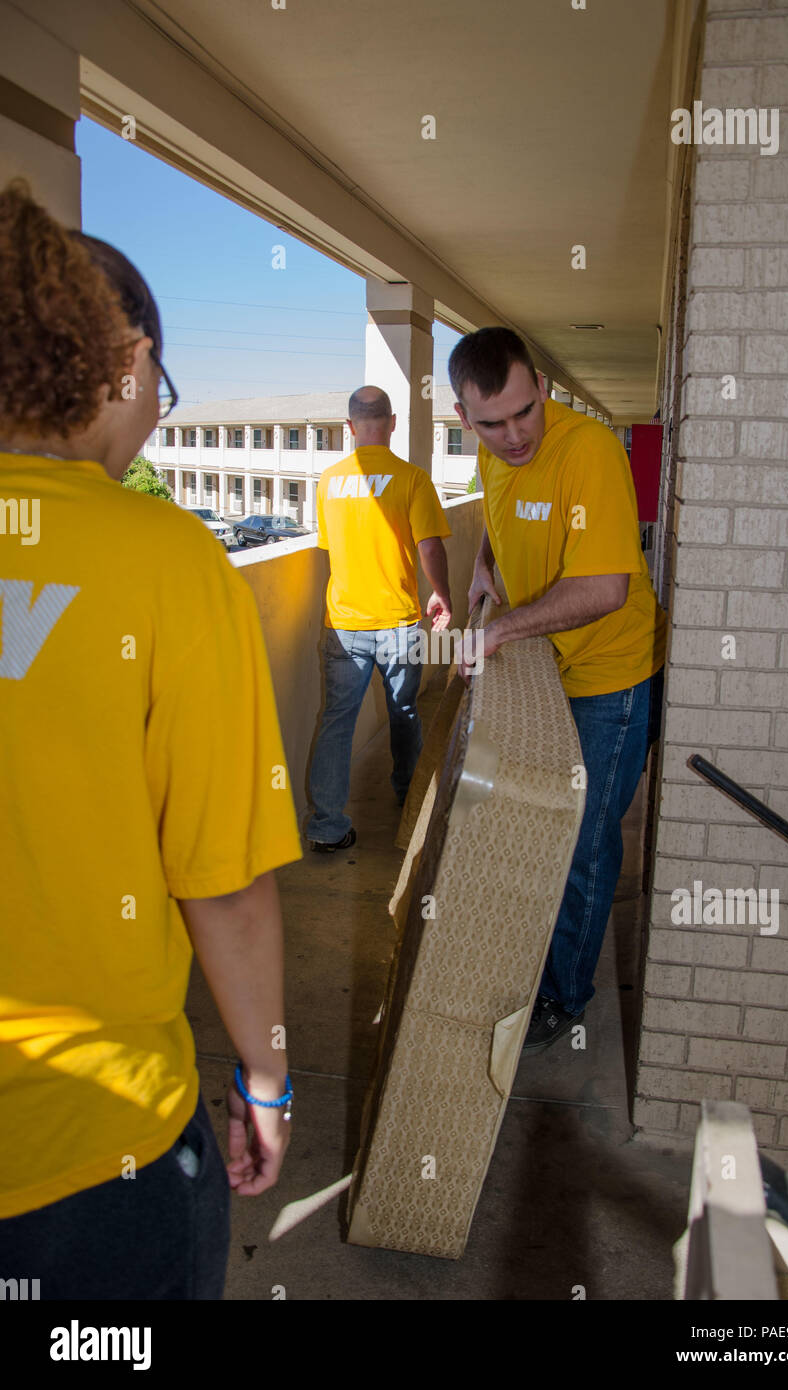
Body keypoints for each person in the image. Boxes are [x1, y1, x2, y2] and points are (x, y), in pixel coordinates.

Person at [0, 180, 301, 1299]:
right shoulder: (168, 562)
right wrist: (265, 1079)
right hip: (92, 1151)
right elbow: (221, 885)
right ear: (119, 361)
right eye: (160, 389)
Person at [449, 327, 666, 1053]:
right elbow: (499, 505)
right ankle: (534, 957)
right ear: (464, 419)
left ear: (541, 388)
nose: (513, 436)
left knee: (582, 842)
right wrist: (483, 565)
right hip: (547, 668)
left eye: (523, 412)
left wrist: (500, 631)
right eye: (491, 423)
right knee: (530, 821)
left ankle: (563, 996)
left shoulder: (589, 451)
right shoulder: (492, 451)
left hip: (608, 678)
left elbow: (605, 588)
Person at [306, 386, 452, 851]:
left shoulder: (328, 481)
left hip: (343, 624)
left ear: (350, 427)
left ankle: (327, 827)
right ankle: (408, 796)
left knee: (335, 723)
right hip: (398, 622)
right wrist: (443, 598)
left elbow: (331, 548)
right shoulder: (413, 479)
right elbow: (429, 545)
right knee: (404, 713)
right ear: (392, 423)